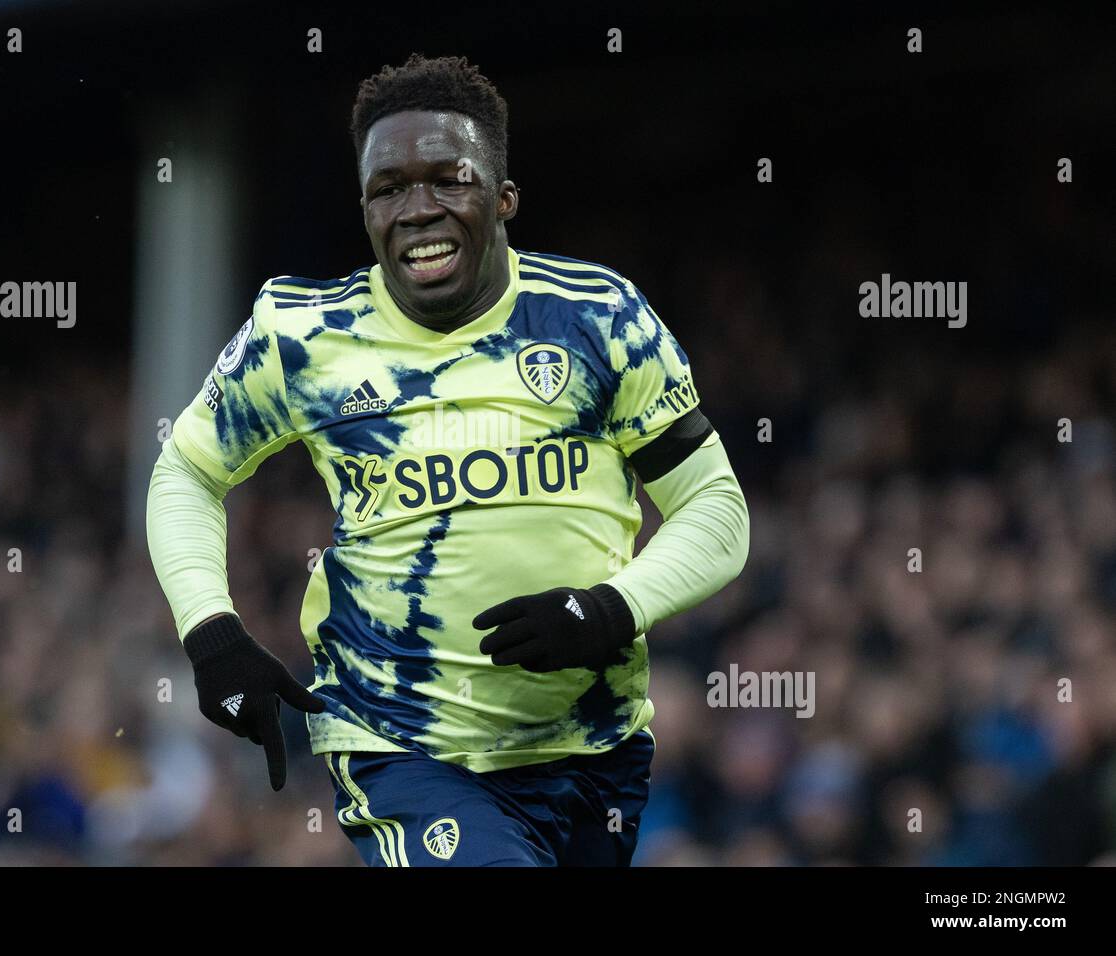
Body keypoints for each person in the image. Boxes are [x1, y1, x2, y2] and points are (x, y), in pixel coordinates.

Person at [147, 53, 749, 866]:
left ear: (503, 198)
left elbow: (716, 509)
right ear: (365, 211)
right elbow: (186, 470)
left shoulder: (597, 318)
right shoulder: (301, 337)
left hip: (593, 751)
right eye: (389, 188)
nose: (418, 209)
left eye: (449, 180)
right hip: (401, 745)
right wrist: (212, 633)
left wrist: (610, 608)